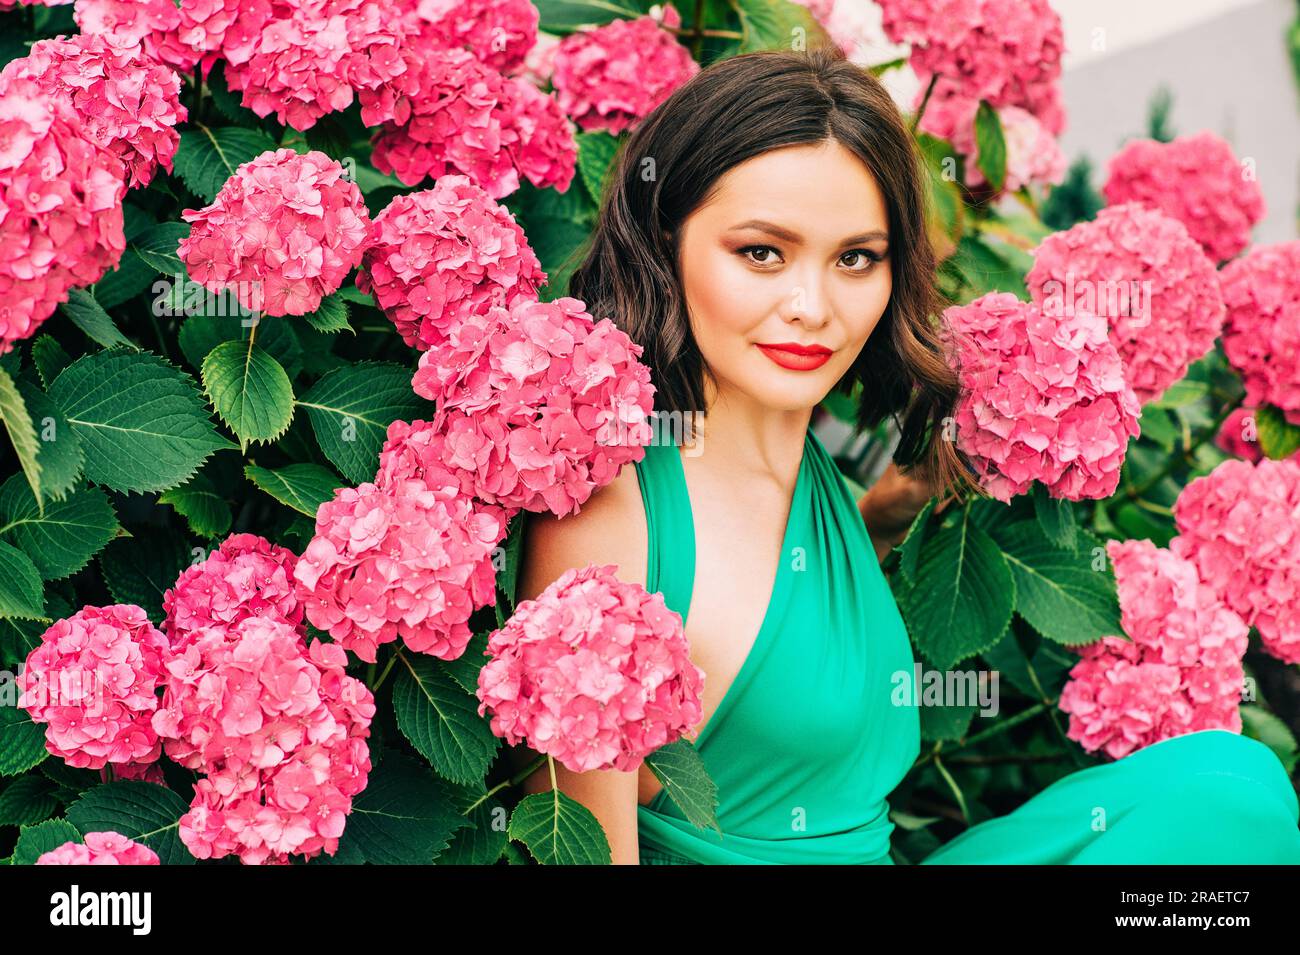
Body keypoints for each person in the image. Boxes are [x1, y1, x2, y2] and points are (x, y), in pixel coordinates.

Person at [502, 43, 1300, 865]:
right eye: (761, 252)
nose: (812, 308)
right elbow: (585, 848)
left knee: (1232, 785)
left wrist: (886, 513)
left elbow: (779, 612)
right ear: (664, 243)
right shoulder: (613, 516)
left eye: (855, 258)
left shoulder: (808, 472)